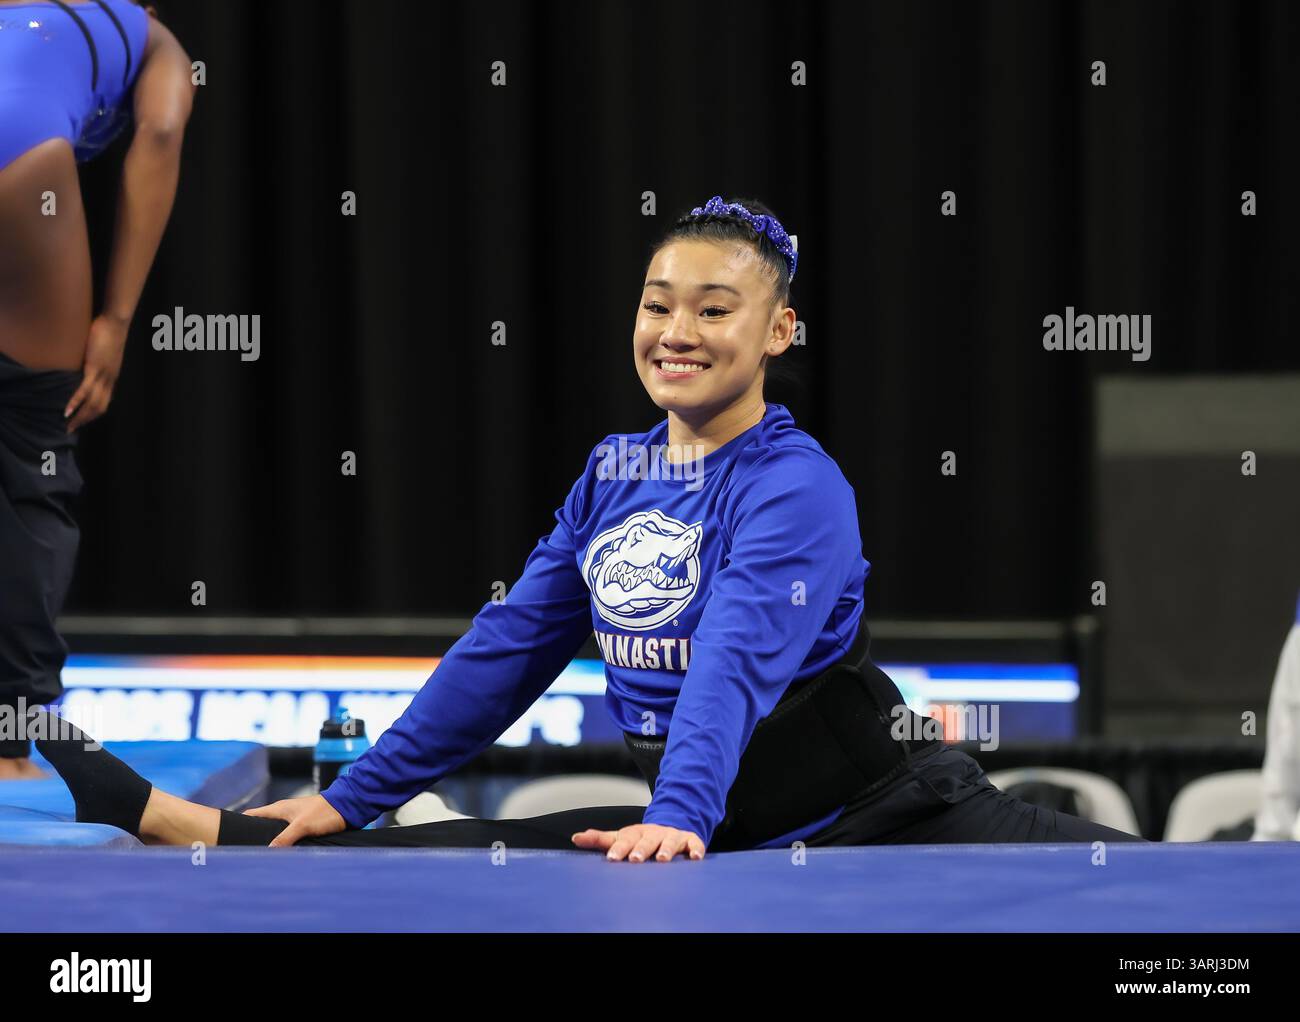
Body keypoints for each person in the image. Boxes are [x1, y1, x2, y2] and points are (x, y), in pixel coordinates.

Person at [30, 195, 1148, 858]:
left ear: (777, 329)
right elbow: (509, 646)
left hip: (888, 819)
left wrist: (679, 813)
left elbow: (733, 657)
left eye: (716, 308)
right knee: (406, 857)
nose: (677, 329)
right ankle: (195, 825)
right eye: (659, 302)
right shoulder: (617, 472)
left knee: (1169, 902)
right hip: (722, 835)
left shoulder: (794, 485)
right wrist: (347, 793)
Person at [0, 0, 195, 778]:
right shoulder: (153, 38)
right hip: (17, 156)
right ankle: (8, 741)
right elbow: (163, 131)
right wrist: (115, 317)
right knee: (29, 455)